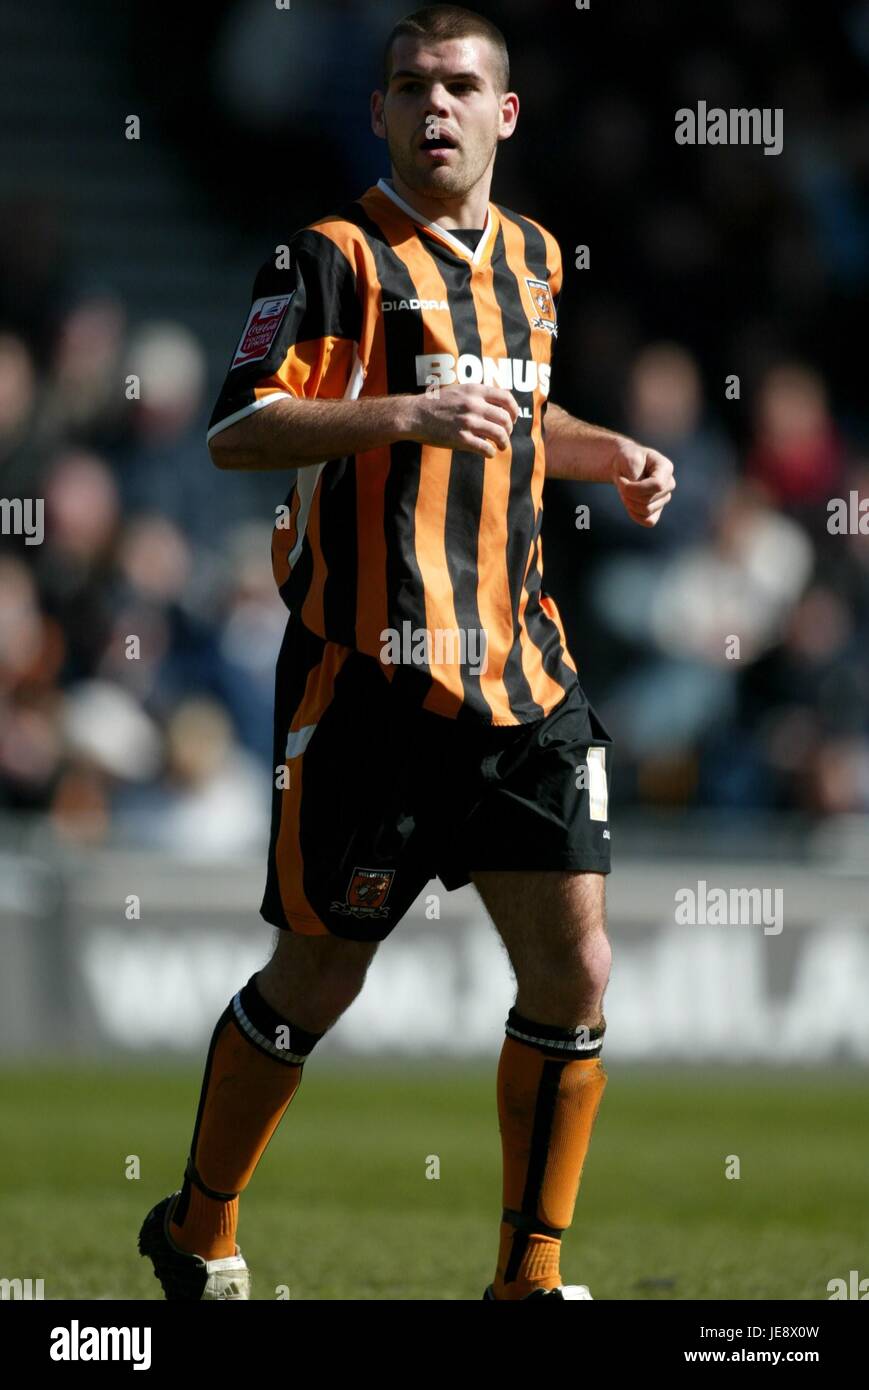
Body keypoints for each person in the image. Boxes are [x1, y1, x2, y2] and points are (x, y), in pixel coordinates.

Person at [139, 4, 675, 1301]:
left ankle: (526, 1279)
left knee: (575, 965)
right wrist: (402, 409)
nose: (432, 108)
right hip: (367, 682)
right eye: (407, 88)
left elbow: (517, 419)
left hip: (521, 682)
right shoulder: (327, 258)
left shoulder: (537, 259)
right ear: (378, 112)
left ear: (504, 114)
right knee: (315, 977)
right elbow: (239, 428)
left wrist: (606, 456)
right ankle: (198, 1228)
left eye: (457, 87)